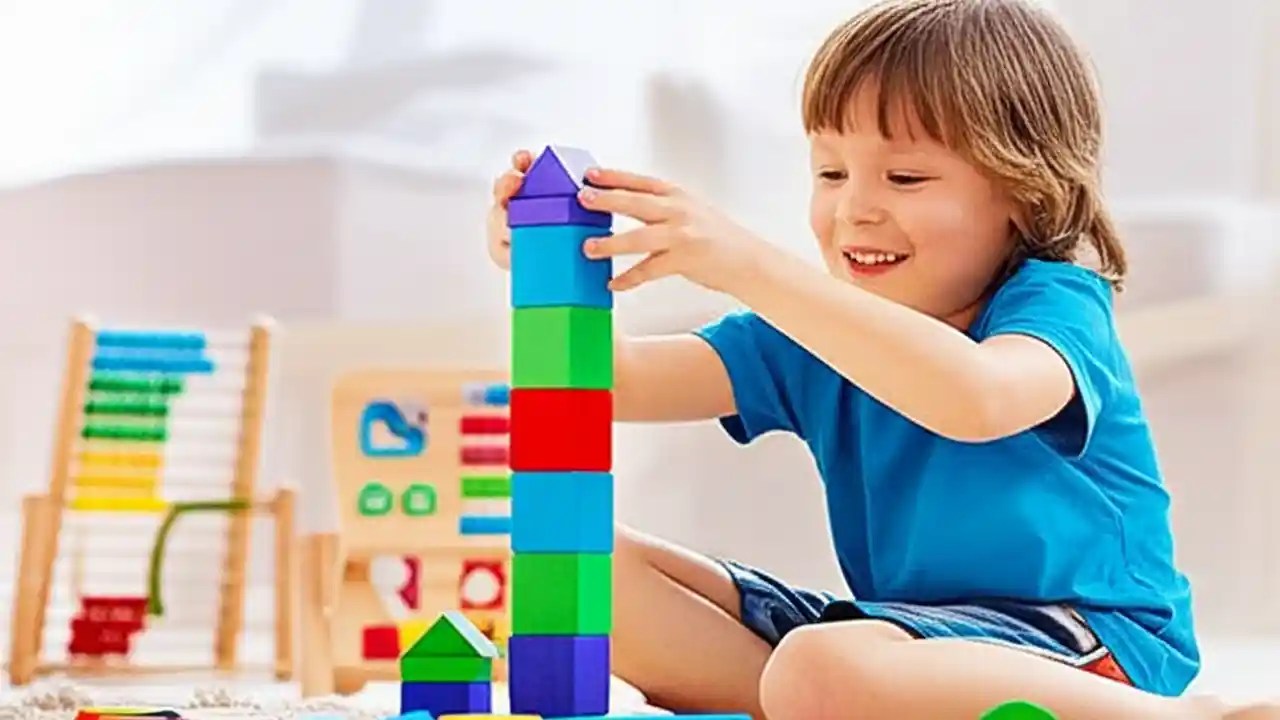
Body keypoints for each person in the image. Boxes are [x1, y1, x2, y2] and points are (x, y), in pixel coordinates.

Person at [484, 1, 1279, 718]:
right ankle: (827, 700)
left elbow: (975, 399)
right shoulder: (808, 332)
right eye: (830, 172)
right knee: (581, 570)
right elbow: (607, 383)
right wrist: (549, 273)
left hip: (1090, 645)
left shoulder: (1054, 303)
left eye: (905, 176)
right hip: (905, 640)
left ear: (1025, 192)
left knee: (824, 665)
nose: (854, 206)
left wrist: (745, 263)